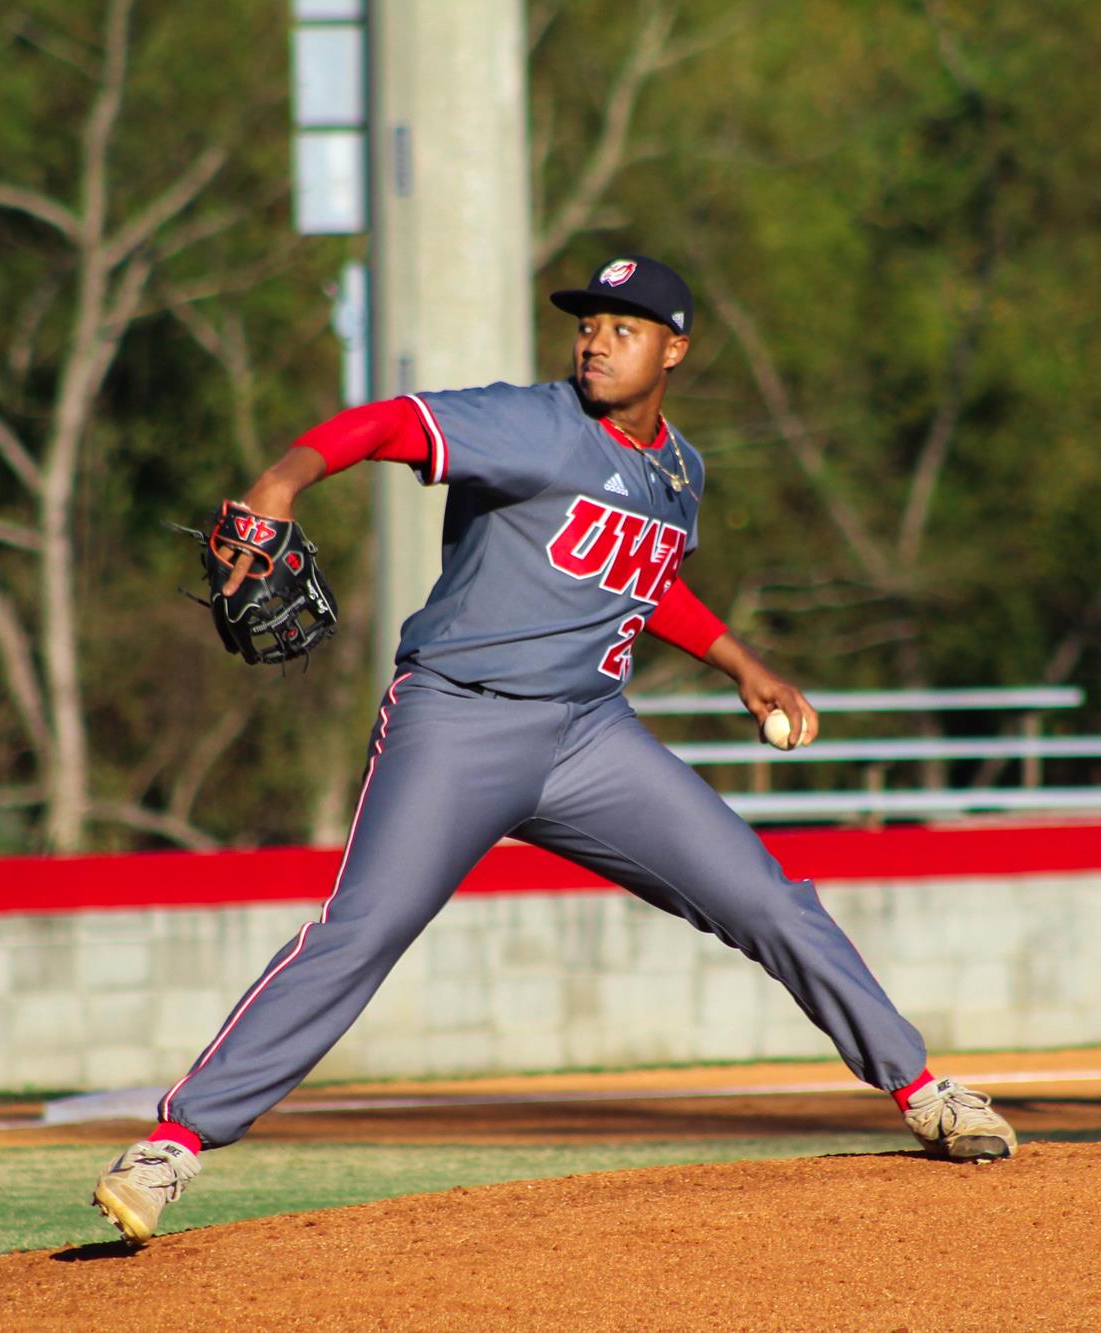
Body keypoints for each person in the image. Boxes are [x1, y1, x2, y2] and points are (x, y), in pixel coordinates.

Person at [90, 254, 1016, 1245]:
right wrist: (281, 478)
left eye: (622, 326)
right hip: (456, 719)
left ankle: (920, 1090)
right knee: (361, 930)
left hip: (588, 736)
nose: (595, 338)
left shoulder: (678, 470)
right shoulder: (529, 422)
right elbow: (392, 422)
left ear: (674, 350)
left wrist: (741, 664)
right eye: (587, 322)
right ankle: (172, 1145)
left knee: (764, 897)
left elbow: (640, 576)